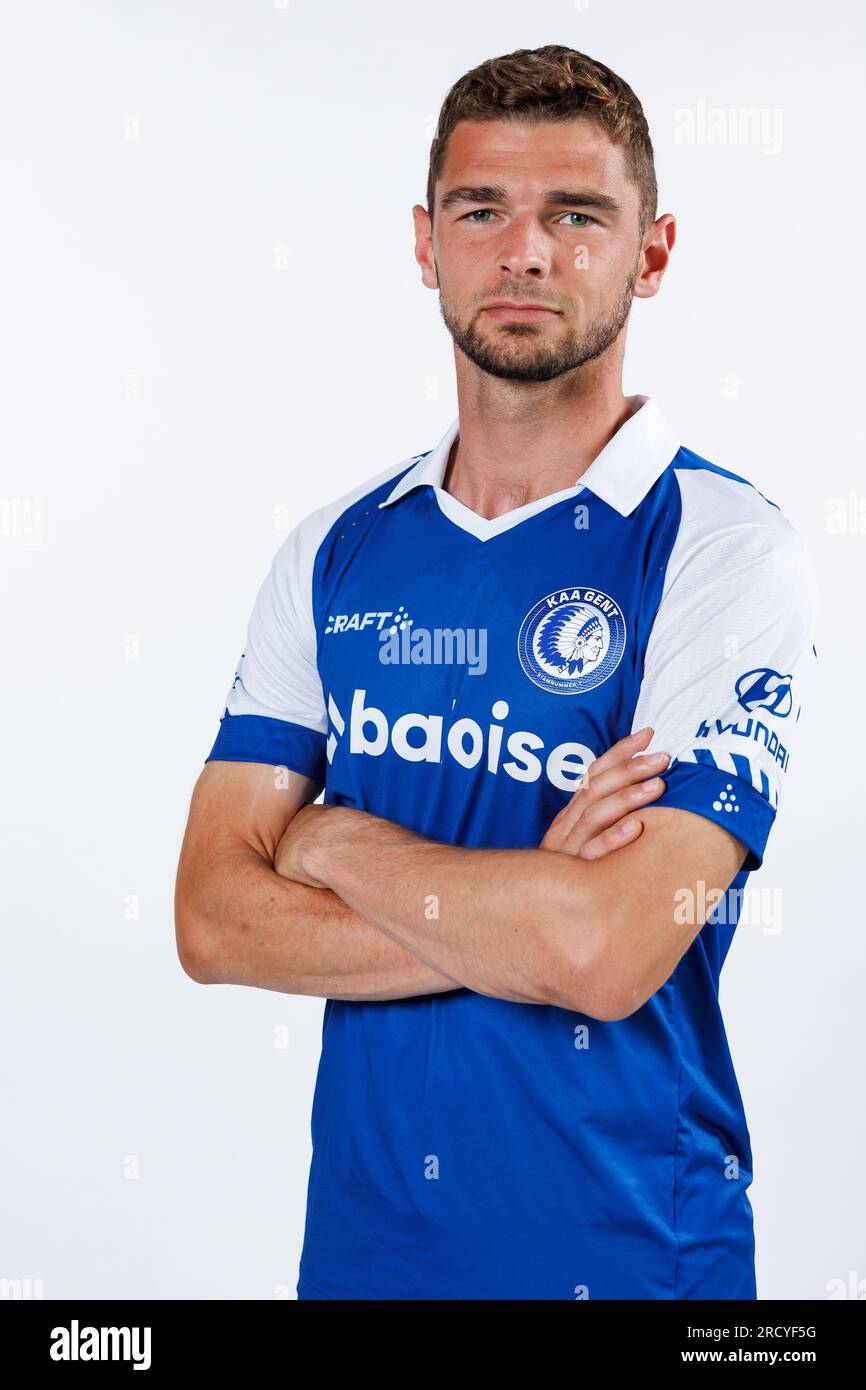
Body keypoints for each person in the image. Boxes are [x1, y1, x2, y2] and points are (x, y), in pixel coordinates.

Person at [175, 44, 819, 1300]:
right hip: (363, 1262)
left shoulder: (724, 548)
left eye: (575, 215)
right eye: (481, 210)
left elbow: (611, 951)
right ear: (426, 242)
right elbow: (207, 919)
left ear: (654, 250)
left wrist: (329, 845)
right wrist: (531, 904)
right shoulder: (333, 553)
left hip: (637, 1261)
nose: (523, 251)